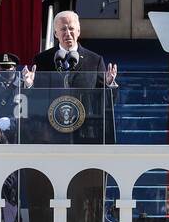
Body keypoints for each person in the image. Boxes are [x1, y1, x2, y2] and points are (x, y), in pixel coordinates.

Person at [22, 10, 118, 143]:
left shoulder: (94, 60)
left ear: (78, 31)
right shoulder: (42, 60)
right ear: (55, 33)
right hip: (50, 132)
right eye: (63, 29)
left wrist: (109, 85)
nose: (68, 33)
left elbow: (106, 102)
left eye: (71, 28)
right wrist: (29, 85)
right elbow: (33, 99)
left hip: (84, 131)